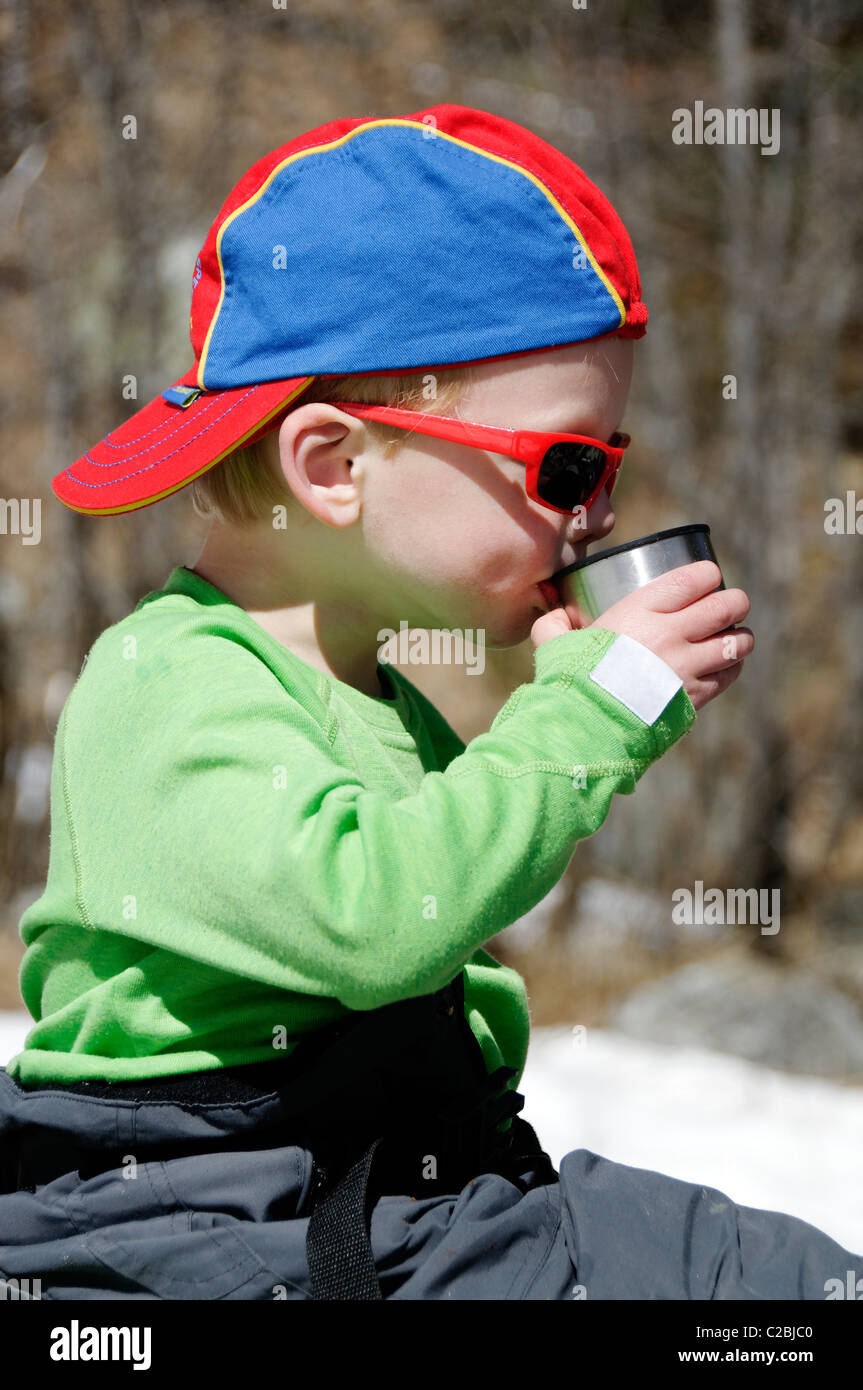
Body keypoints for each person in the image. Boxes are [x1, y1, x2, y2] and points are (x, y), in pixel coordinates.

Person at [0, 104, 859, 1301]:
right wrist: (595, 711)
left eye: (612, 461)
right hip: (226, 1226)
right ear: (335, 467)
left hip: (387, 1195)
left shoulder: (371, 687)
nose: (597, 513)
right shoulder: (167, 680)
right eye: (565, 464)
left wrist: (579, 703)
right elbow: (375, 919)